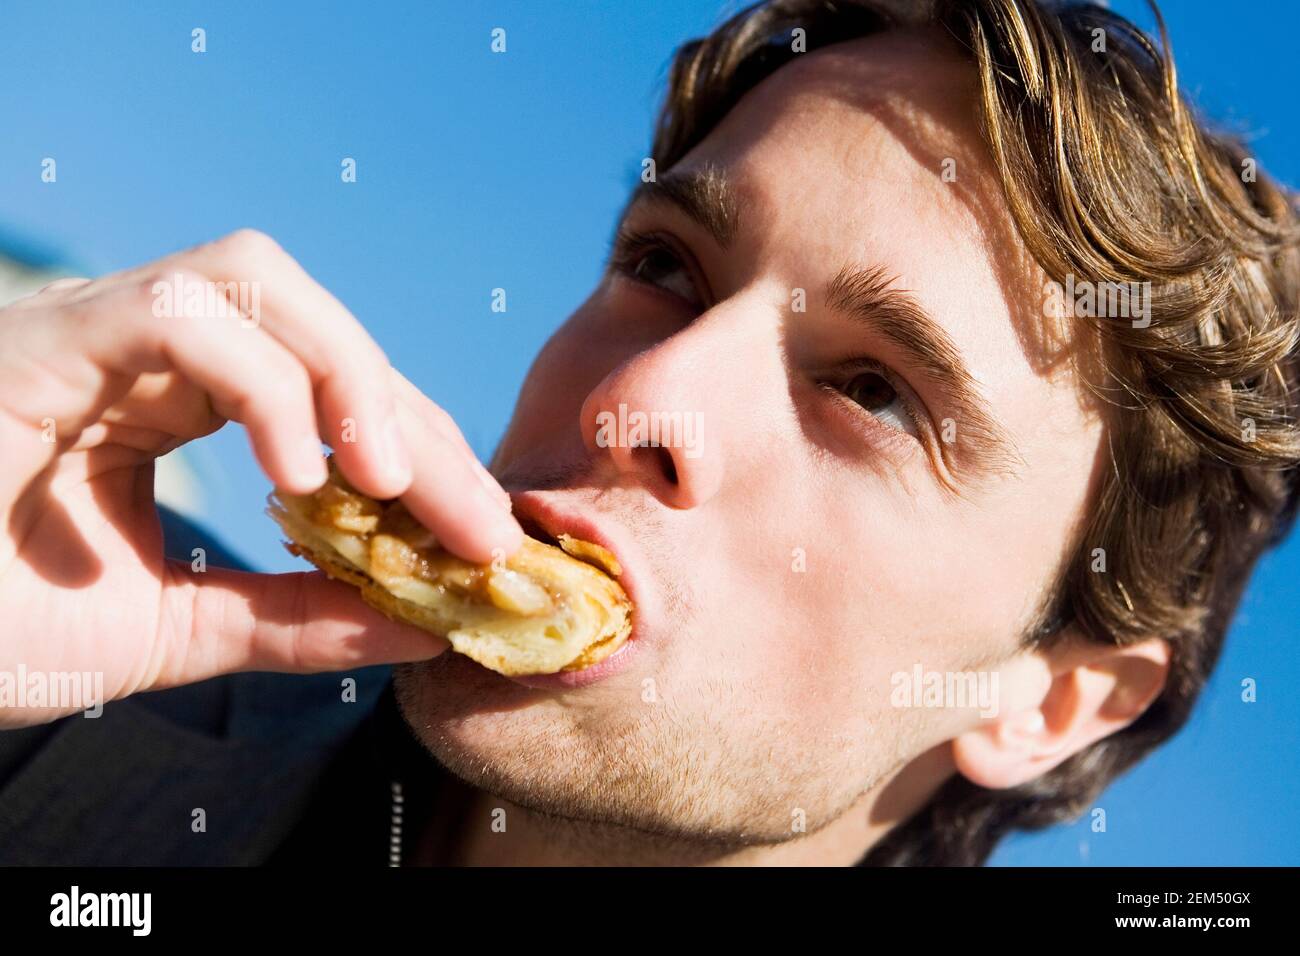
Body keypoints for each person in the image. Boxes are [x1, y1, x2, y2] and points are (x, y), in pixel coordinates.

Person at [2, 0, 1297, 866]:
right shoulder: (63, 708)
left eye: (876, 390)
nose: (643, 398)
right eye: (669, 268)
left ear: (1052, 698)